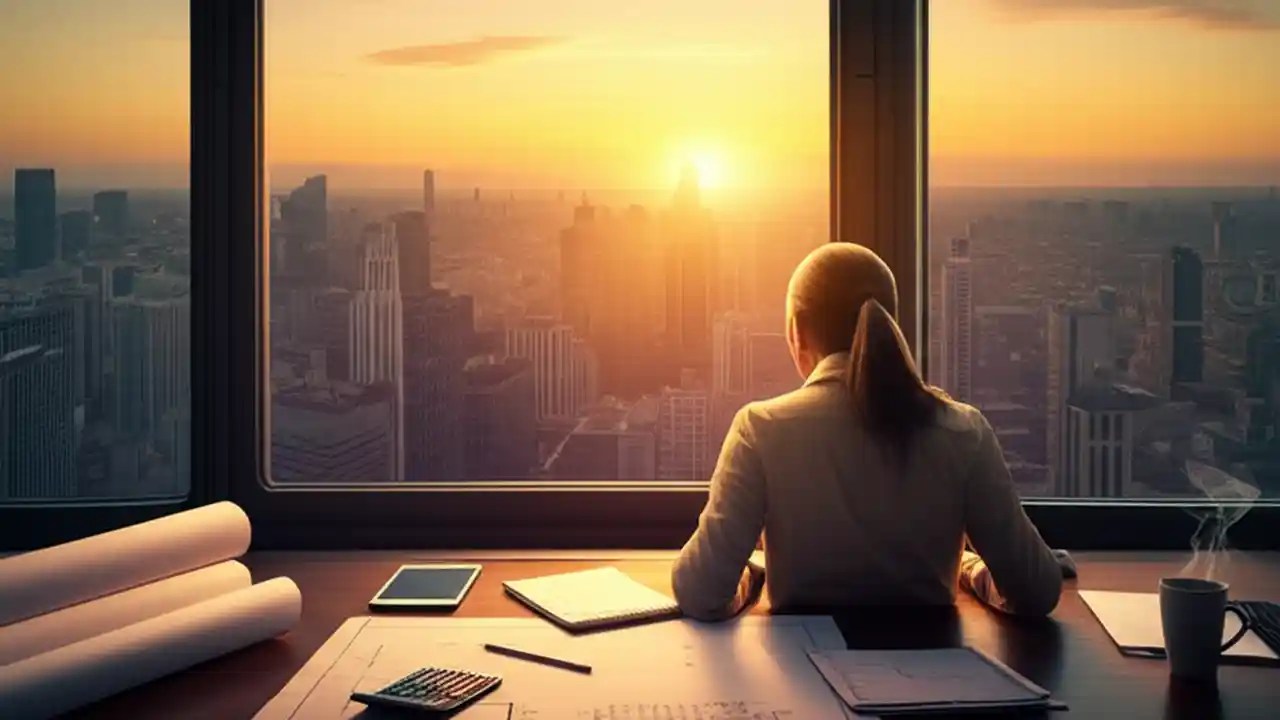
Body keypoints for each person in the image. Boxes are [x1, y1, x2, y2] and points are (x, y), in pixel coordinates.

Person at [671, 243, 1063, 620]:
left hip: (800, 681)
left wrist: (755, 572)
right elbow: (1036, 591)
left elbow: (700, 592)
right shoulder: (963, 432)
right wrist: (970, 569)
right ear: (893, 327)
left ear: (796, 332)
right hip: (931, 682)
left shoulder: (761, 429)